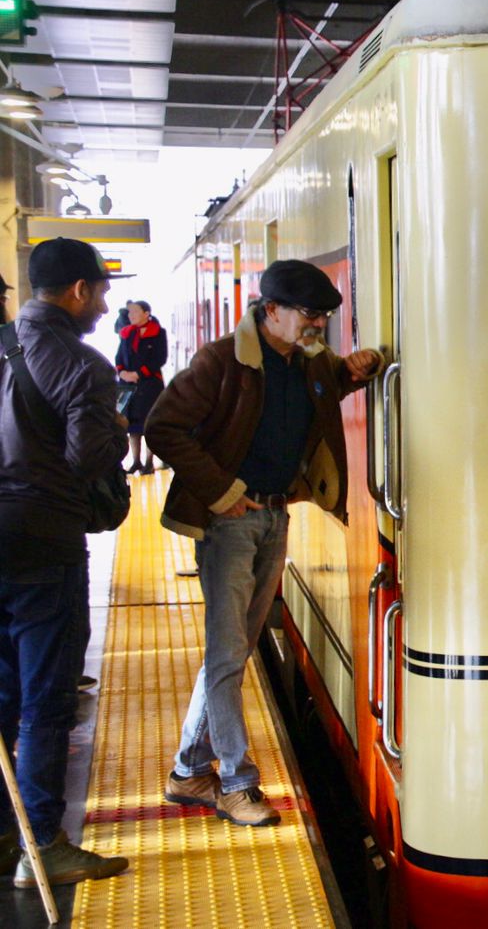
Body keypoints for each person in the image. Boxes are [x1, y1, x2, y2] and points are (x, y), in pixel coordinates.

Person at [146, 259, 381, 827]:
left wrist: (363, 366)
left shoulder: (308, 363)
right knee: (228, 654)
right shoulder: (222, 362)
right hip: (229, 523)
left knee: (233, 653)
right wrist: (221, 490)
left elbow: (331, 384)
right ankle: (235, 782)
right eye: (308, 314)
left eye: (323, 316)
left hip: (276, 518)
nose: (317, 325)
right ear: (270, 310)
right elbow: (161, 427)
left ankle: (188, 772)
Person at [0, 238, 131, 887]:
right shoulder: (83, 365)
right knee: (46, 701)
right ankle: (45, 845)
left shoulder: (3, 344)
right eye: (100, 292)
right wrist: (118, 432)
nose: (104, 307)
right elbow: (88, 458)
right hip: (43, 543)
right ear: (78, 291)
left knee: (3, 694)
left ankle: (9, 832)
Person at [114, 300, 167, 474]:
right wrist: (122, 372)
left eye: (135, 312)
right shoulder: (127, 333)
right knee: (132, 425)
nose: (131, 315)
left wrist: (139, 374)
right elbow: (119, 357)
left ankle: (149, 462)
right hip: (128, 385)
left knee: (149, 424)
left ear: (146, 313)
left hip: (149, 385)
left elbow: (159, 358)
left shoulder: (157, 333)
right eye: (130, 313)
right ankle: (136, 461)